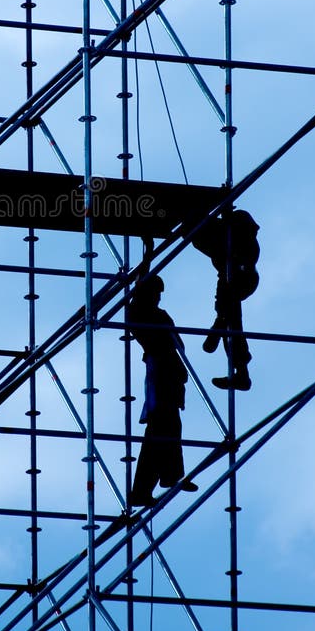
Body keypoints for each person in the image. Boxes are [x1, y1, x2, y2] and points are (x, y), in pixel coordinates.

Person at [127, 240, 197, 507]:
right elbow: (140, 280)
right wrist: (148, 254)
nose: (158, 297)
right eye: (155, 293)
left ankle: (162, 479)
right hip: (160, 372)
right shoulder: (138, 311)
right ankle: (164, 478)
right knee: (161, 428)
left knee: (166, 428)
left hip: (171, 373)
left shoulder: (154, 311)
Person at [192, 208, 260, 391]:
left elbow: (242, 256)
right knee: (232, 321)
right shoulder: (223, 242)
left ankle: (220, 323)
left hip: (241, 280)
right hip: (228, 282)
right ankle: (241, 371)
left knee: (231, 320)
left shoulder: (247, 244)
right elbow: (202, 242)